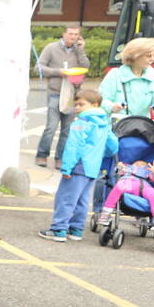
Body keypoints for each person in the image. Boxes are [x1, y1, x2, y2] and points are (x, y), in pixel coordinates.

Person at [38, 89, 117, 242]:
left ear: (95, 105)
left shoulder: (81, 123)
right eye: (76, 105)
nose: (78, 108)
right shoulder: (104, 124)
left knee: (66, 197)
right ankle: (76, 229)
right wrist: (100, 153)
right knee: (82, 199)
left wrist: (67, 167)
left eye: (81, 104)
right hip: (93, 168)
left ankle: (59, 229)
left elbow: (73, 146)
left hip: (78, 165)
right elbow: (113, 146)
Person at [36, 25, 89, 169]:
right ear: (64, 34)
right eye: (71, 34)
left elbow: (86, 66)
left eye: (76, 35)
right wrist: (59, 72)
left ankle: (60, 157)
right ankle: (42, 155)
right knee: (51, 127)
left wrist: (81, 51)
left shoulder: (78, 51)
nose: (73, 37)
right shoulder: (51, 48)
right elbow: (39, 68)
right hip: (55, 92)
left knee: (67, 129)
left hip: (72, 94)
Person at [98, 37, 154, 121]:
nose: (152, 59)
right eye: (149, 56)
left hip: (142, 127)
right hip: (117, 128)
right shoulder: (115, 75)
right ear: (135, 56)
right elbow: (101, 101)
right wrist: (112, 107)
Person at [98, 159, 154, 234]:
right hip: (129, 182)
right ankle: (106, 212)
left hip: (145, 186)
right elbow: (118, 172)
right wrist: (120, 167)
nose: (140, 164)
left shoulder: (148, 170)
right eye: (137, 163)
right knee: (118, 187)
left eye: (143, 164)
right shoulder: (128, 167)